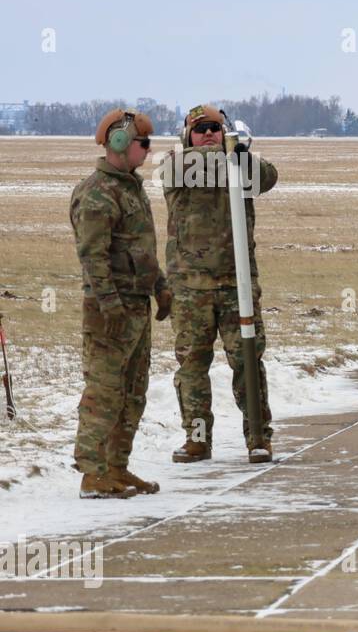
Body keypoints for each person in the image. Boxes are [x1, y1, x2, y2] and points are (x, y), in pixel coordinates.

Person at [161, 104, 278, 464]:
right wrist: (227, 152)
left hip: (236, 284)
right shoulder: (177, 165)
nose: (209, 134)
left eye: (216, 128)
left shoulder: (241, 165)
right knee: (192, 366)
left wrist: (239, 153)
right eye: (201, 129)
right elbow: (183, 168)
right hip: (190, 288)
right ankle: (197, 439)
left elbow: (268, 177)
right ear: (187, 136)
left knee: (246, 362)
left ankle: (257, 438)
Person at [70, 109, 172, 498]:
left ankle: (117, 467)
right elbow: (92, 258)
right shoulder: (98, 193)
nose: (148, 151)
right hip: (109, 312)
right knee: (104, 391)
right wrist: (110, 307)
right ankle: (92, 473)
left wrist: (160, 287)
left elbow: (142, 252)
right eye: (143, 144)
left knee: (132, 392)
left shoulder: (130, 188)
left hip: (135, 308)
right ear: (119, 143)